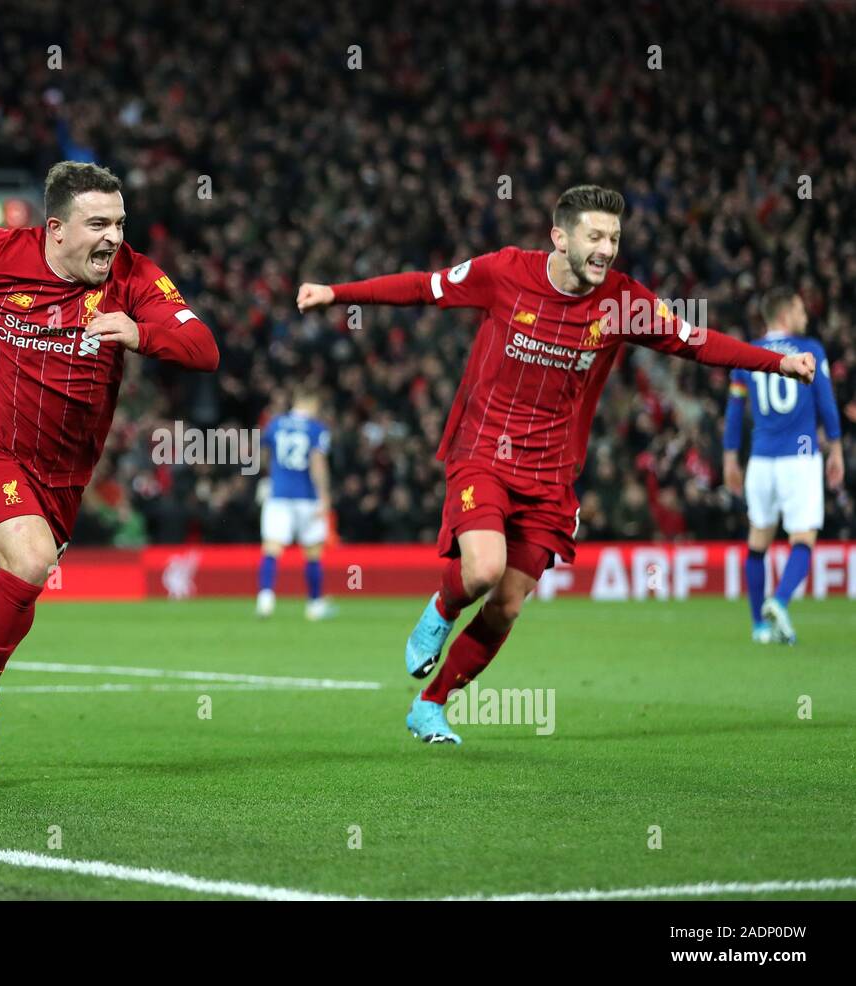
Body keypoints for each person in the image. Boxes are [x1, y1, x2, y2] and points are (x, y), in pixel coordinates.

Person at [297, 184, 815, 745]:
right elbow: (424, 287)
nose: (606, 248)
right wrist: (337, 293)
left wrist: (777, 362)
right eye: (595, 236)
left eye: (614, 238)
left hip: (551, 476)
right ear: (559, 236)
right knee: (484, 570)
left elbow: (696, 342)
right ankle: (440, 612)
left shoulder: (622, 301)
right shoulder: (505, 272)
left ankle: (431, 704)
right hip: (484, 452)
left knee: (507, 605)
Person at [0, 161, 219, 772]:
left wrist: (139, 333)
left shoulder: (134, 278)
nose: (113, 237)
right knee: (30, 561)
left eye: (120, 223)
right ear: (55, 229)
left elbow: (204, 350)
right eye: (98, 223)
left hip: (63, 478)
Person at [723, 287, 843, 644]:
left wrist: (730, 457)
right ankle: (779, 601)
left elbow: (734, 411)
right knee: (803, 538)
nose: (805, 316)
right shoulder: (811, 351)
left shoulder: (748, 353)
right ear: (786, 313)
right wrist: (835, 448)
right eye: (801, 309)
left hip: (760, 461)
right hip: (800, 457)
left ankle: (759, 628)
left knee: (758, 540)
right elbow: (825, 402)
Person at [256, 388, 334, 620]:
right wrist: (324, 495)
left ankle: (265, 600)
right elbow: (317, 462)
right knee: (312, 551)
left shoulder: (275, 423)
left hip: (278, 495)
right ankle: (314, 605)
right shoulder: (316, 428)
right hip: (307, 498)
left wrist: (270, 477)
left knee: (271, 547)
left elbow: (263, 455)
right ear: (311, 405)